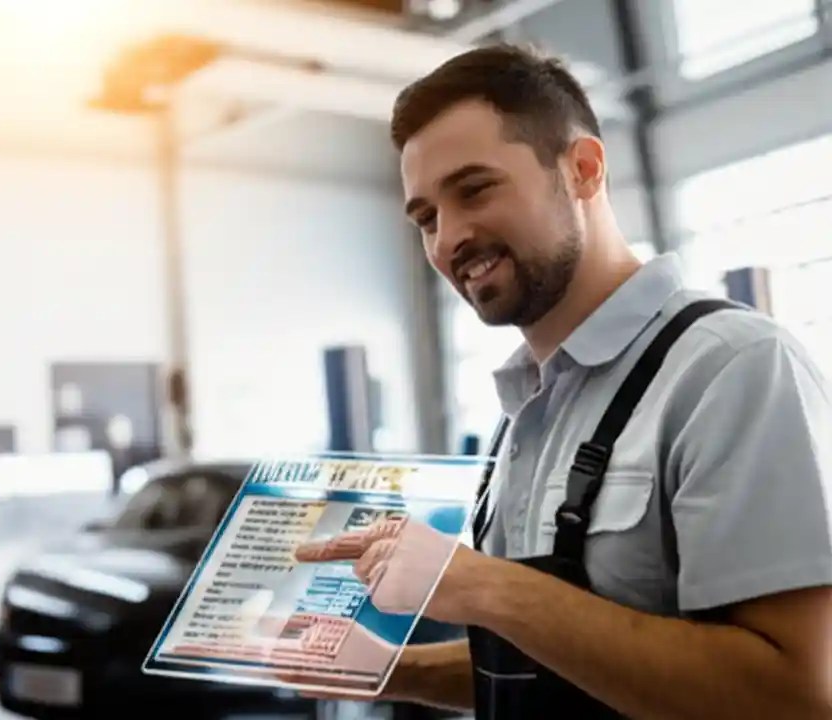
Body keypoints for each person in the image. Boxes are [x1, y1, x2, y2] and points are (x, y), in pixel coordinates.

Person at [294, 44, 832, 719]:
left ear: (582, 169)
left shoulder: (731, 369)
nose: (450, 237)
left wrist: (483, 587)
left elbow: (795, 695)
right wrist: (391, 669)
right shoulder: (523, 413)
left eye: (475, 189)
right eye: (427, 217)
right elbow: (554, 660)